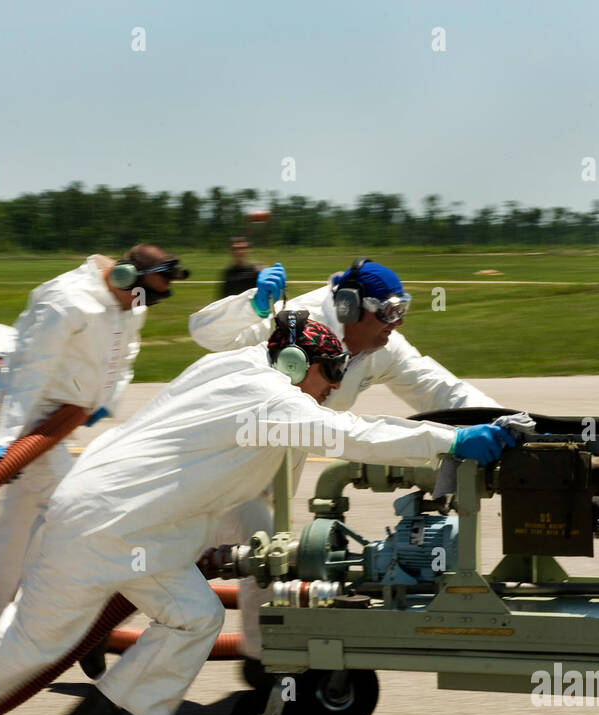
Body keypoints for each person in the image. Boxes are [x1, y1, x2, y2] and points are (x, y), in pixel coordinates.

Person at [0, 316, 514, 715]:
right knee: (21, 650)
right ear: (293, 363)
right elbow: (352, 436)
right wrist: (453, 438)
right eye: (328, 377)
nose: (332, 389)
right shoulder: (274, 402)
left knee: (197, 616)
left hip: (133, 530)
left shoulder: (231, 366)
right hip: (101, 526)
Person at [190, 258, 498, 668]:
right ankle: (266, 660)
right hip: (224, 457)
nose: (397, 323)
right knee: (256, 549)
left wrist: (507, 424)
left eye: (401, 310)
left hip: (275, 465)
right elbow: (205, 333)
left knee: (229, 554)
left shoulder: (379, 348)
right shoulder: (295, 323)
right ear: (351, 307)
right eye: (388, 312)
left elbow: (440, 390)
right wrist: (253, 306)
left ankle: (257, 652)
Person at [0, 246, 190, 675]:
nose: (145, 307)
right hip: (30, 424)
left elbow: (128, 354)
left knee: (20, 517)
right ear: (122, 277)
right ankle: (74, 625)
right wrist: (7, 437)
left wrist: (104, 400)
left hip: (64, 420)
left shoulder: (130, 302)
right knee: (80, 511)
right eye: (144, 295)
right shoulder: (65, 301)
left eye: (153, 300)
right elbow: (29, 371)